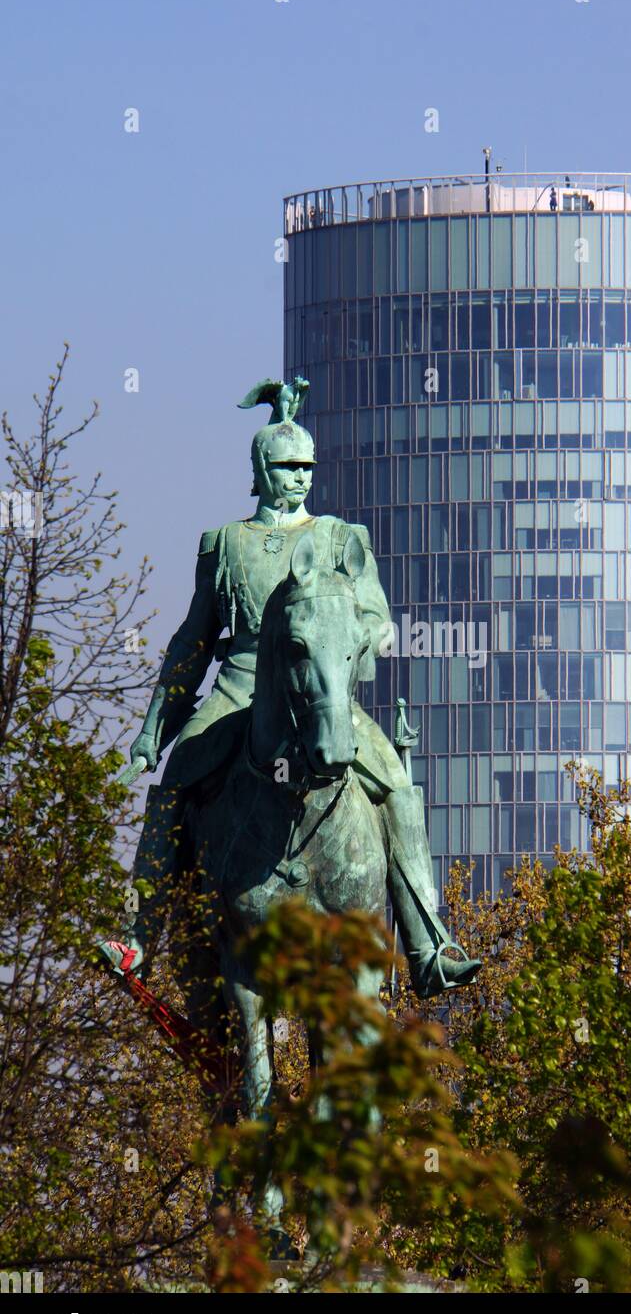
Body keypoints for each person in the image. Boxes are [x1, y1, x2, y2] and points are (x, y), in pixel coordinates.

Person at [120, 378, 480, 999]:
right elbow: (194, 641)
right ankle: (139, 930)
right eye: (286, 466)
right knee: (178, 777)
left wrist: (350, 649)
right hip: (239, 690)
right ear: (259, 469)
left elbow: (377, 620)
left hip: (323, 694)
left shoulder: (342, 539)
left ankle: (428, 943)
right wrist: (157, 727)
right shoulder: (226, 543)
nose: (299, 477)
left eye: (307, 467)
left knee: (394, 780)